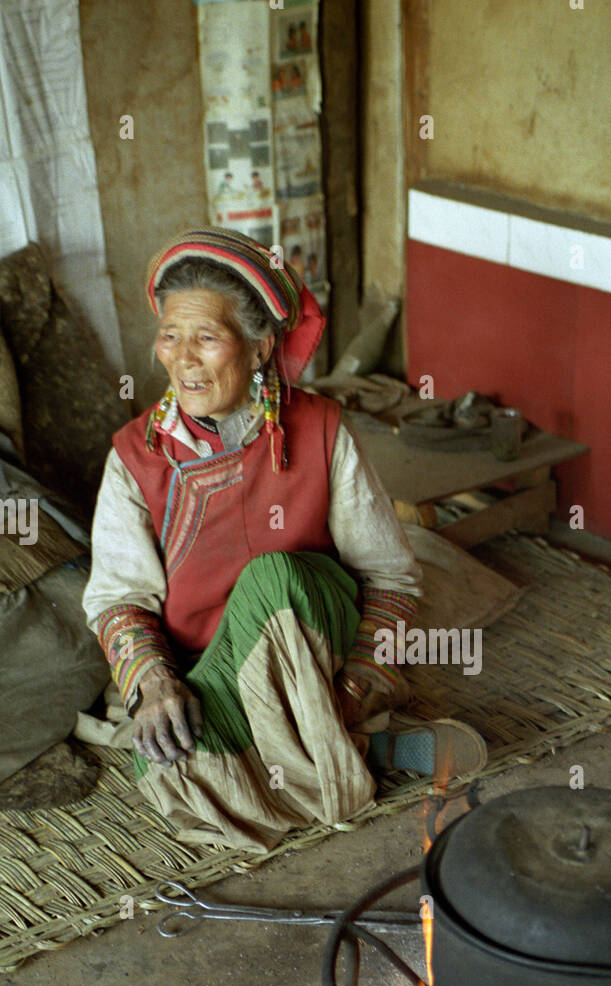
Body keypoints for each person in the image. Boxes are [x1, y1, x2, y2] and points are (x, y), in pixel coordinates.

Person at [82, 228, 484, 849]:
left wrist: (351, 691)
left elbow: (390, 576)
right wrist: (156, 685)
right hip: (212, 673)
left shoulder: (322, 430)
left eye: (207, 337)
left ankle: (335, 734)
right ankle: (357, 752)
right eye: (170, 335)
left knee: (273, 577)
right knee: (171, 768)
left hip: (313, 655)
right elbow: (117, 598)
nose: (182, 357)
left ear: (260, 345)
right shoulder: (136, 458)